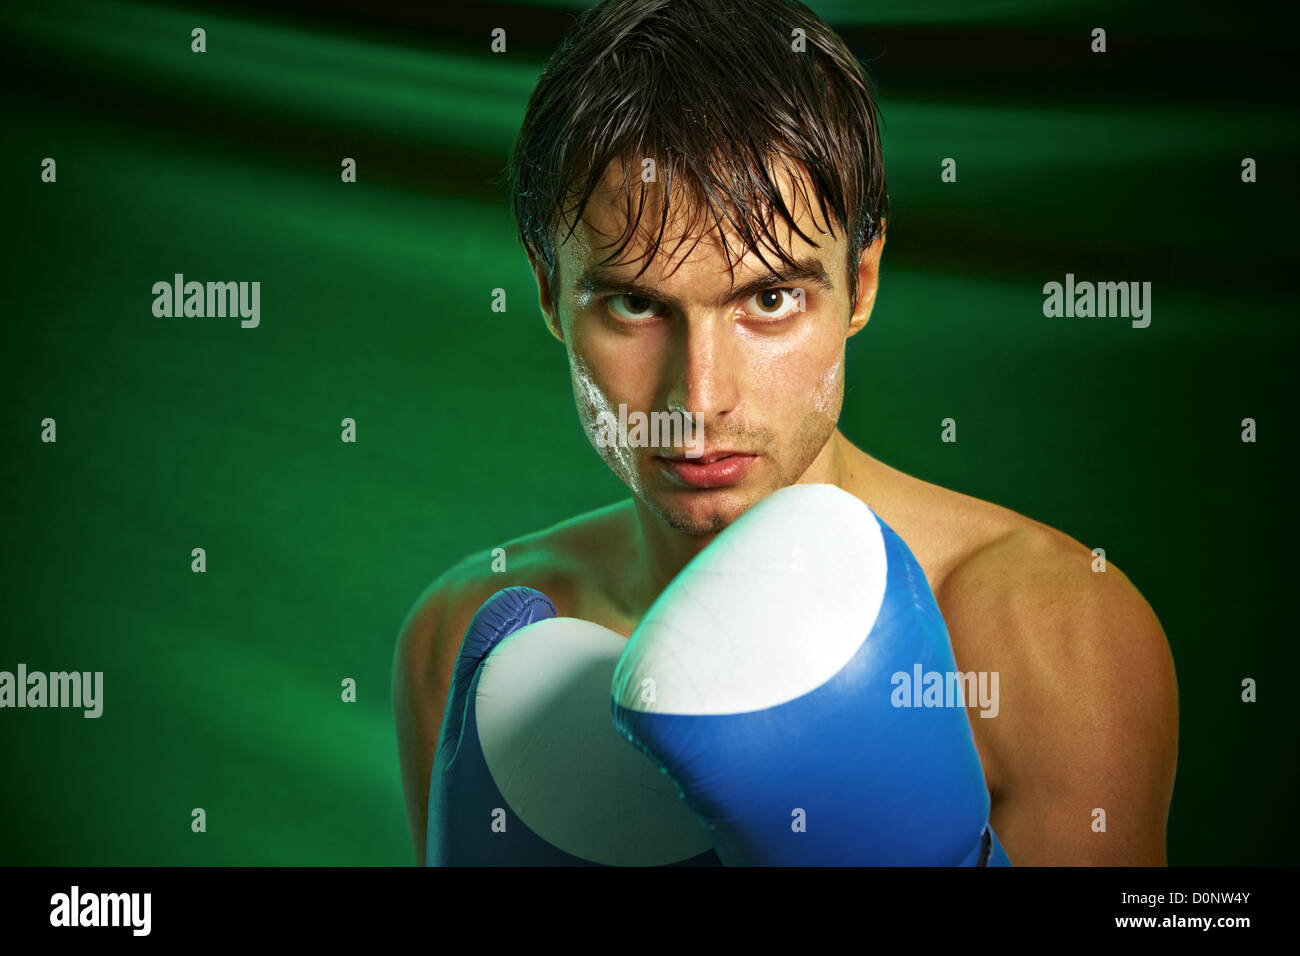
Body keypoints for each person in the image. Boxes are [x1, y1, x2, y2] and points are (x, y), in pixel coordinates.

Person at [393, 0, 1178, 866]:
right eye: (635, 303)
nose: (700, 399)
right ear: (548, 293)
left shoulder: (1050, 638)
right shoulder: (471, 644)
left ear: (862, 283)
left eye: (769, 300)